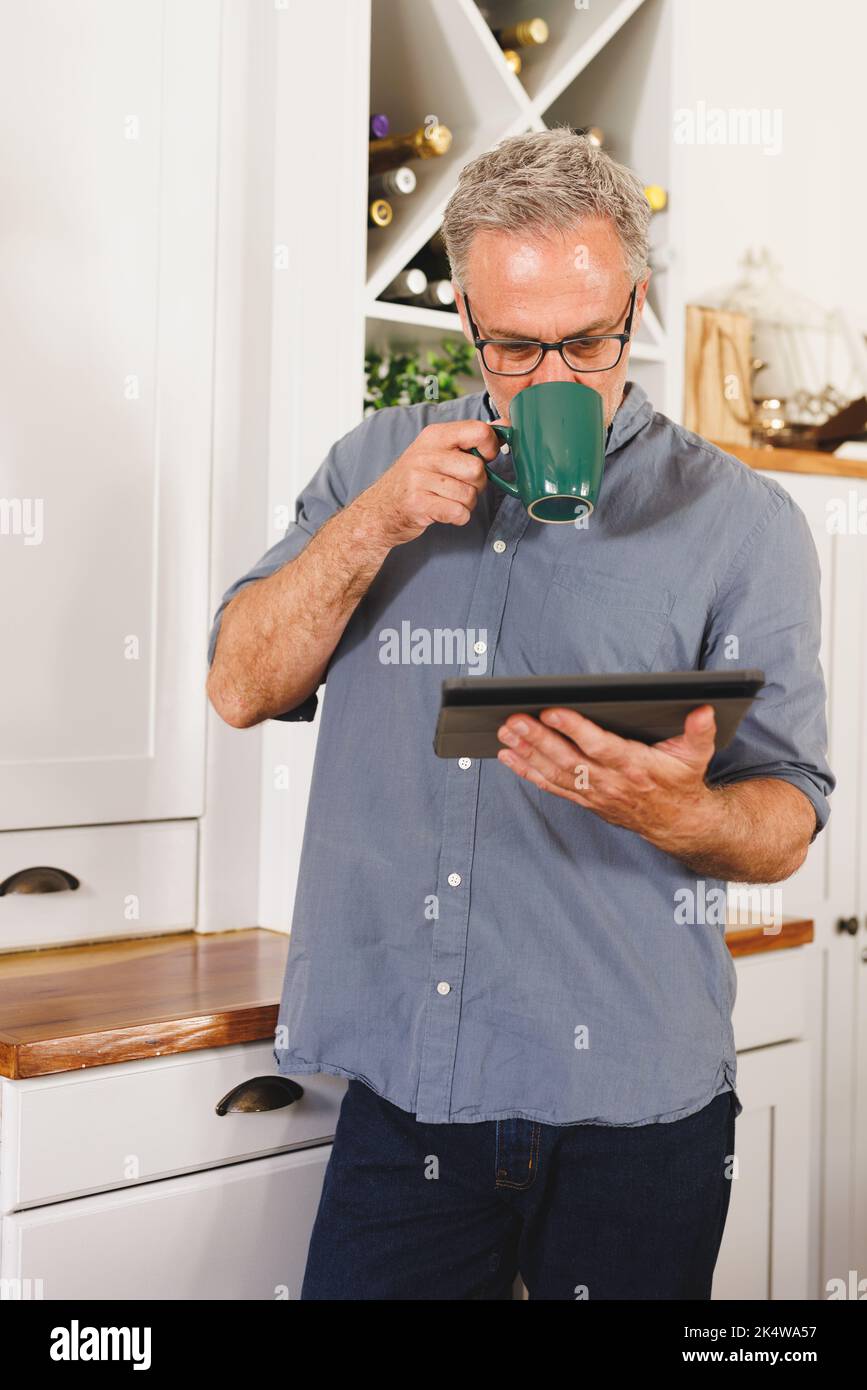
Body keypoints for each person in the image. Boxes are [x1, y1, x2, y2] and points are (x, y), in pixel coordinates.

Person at [206, 128, 834, 1300]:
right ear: (464, 324)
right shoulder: (374, 467)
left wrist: (681, 812)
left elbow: (789, 817)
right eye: (513, 347)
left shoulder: (741, 523)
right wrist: (375, 525)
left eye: (589, 342)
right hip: (410, 1100)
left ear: (635, 305)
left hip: (638, 1113)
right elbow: (241, 684)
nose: (553, 380)